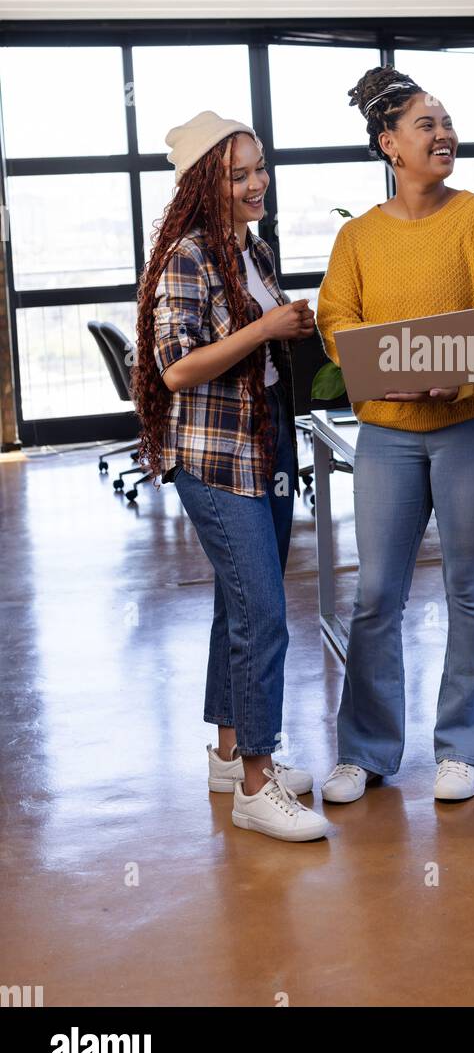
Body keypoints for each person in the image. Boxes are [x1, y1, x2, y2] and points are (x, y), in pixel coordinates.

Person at [315, 66, 474, 804]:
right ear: (389, 146)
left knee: (470, 586)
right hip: (389, 434)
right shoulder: (358, 237)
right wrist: (380, 367)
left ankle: (463, 748)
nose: (443, 135)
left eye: (445, 122)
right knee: (376, 593)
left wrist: (457, 379)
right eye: (424, 125)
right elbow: (335, 319)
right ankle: (365, 752)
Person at [133, 110, 328, 844]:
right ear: (202, 187)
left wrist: (288, 327)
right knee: (263, 615)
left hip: (265, 447)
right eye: (236, 175)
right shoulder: (189, 255)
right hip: (218, 462)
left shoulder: (251, 250)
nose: (256, 184)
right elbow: (177, 367)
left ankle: (226, 754)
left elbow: (258, 348)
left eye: (259, 169)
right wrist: (264, 329)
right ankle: (255, 782)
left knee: (236, 606)